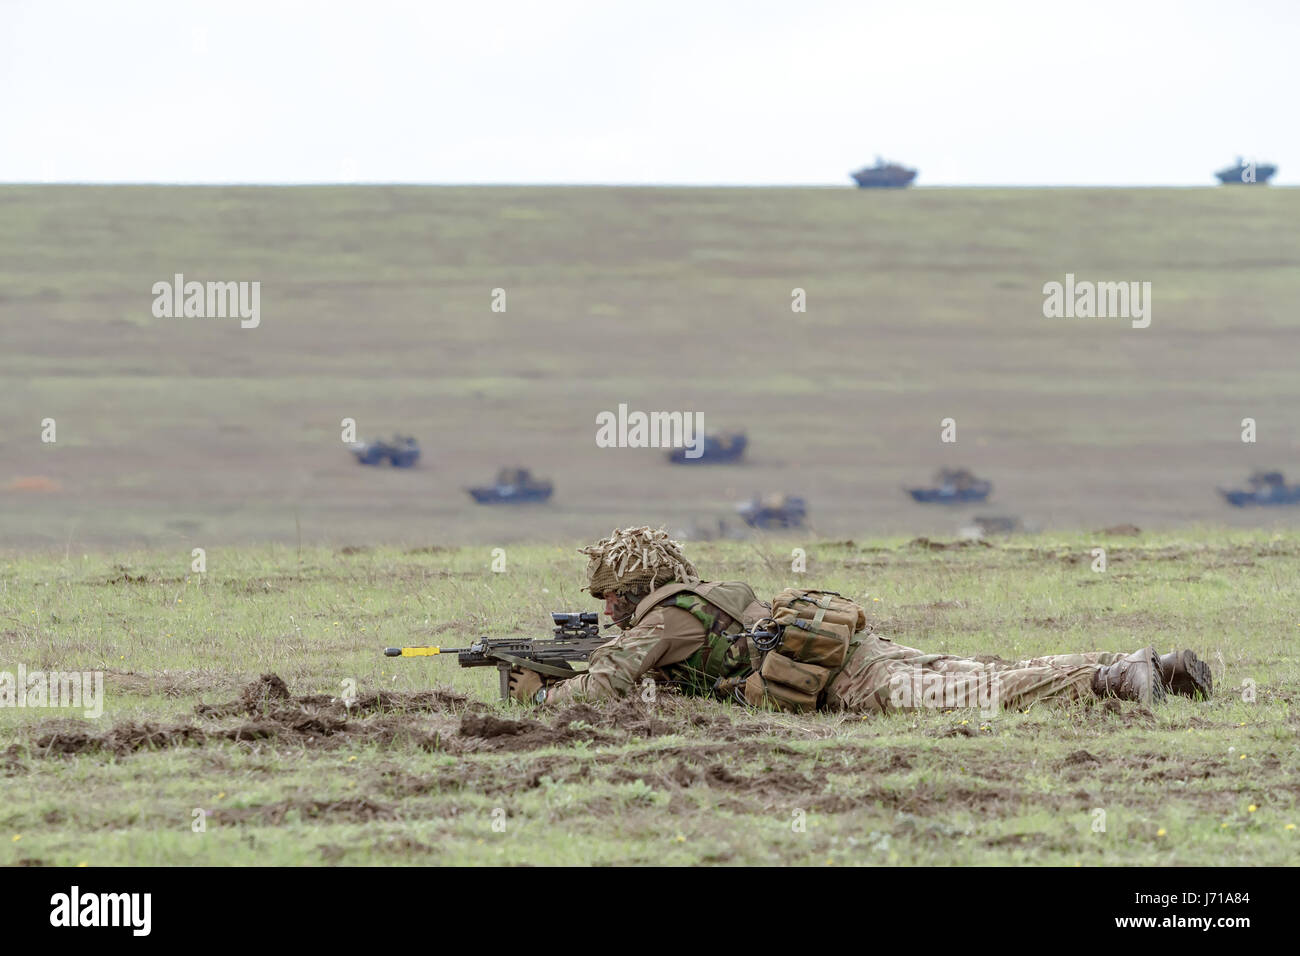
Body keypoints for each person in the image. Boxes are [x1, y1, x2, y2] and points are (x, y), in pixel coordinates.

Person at [507, 527, 1213, 711]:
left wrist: (542, 697)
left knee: (979, 694)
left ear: (641, 587)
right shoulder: (706, 596)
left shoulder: (664, 620)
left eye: (613, 596)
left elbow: (604, 686)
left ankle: (1115, 680)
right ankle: (1157, 667)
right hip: (856, 646)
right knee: (984, 671)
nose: (607, 610)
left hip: (846, 681)